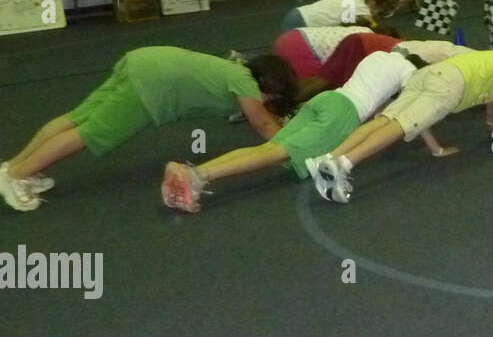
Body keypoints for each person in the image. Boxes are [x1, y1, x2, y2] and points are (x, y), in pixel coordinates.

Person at [161, 41, 466, 213]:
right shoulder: (410, 73)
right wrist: (435, 147)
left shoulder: (379, 57)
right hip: (343, 115)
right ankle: (197, 175)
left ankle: (197, 173)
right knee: (276, 153)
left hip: (327, 99)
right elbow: (411, 114)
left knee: (268, 148)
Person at [0, 48, 296, 213]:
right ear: (269, 88)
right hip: (152, 88)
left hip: (142, 63)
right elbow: (264, 125)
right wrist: (293, 149)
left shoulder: (237, 70)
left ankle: (13, 167)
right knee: (89, 134)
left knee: (77, 118)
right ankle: (16, 176)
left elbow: (263, 118)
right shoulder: (247, 86)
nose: (266, 104)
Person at [306, 43, 493, 203]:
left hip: (427, 74)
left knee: (386, 119)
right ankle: (343, 165)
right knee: (398, 127)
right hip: (449, 84)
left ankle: (327, 158)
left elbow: (491, 100)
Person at [281, 0, 387, 33]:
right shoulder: (362, 7)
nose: (376, 14)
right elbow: (373, 26)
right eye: (378, 9)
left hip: (297, 14)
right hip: (303, 23)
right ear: (373, 3)